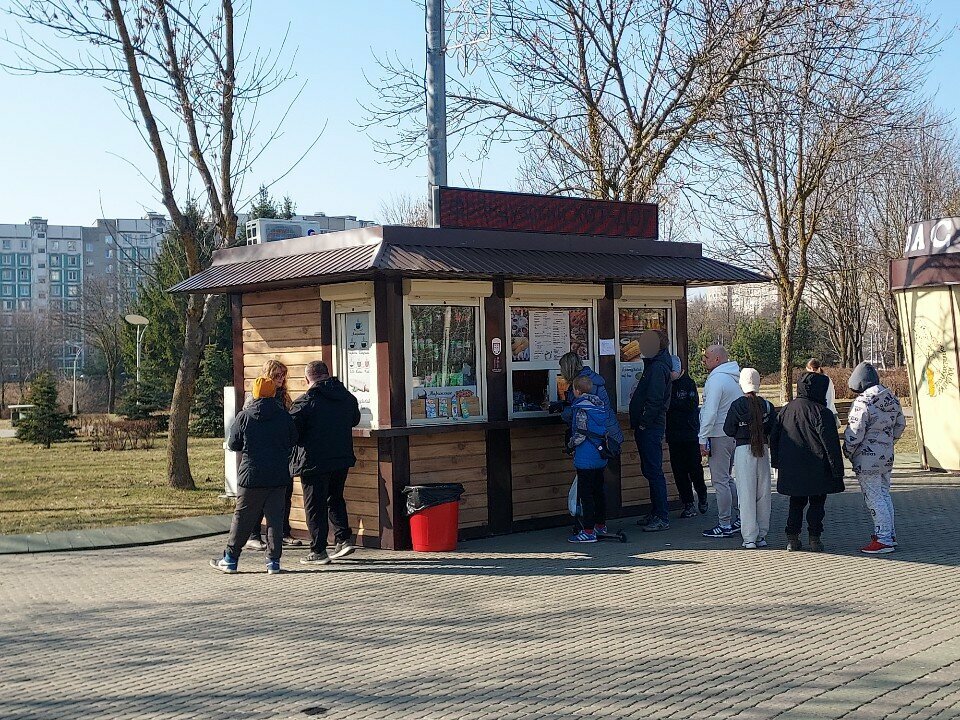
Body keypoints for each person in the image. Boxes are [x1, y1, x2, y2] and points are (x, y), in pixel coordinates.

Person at [211, 376, 297, 574]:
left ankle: (231, 559)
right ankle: (273, 562)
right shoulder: (284, 415)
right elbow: (293, 439)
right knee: (275, 519)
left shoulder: (245, 416)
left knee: (242, 518)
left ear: (255, 393)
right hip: (278, 475)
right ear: (273, 393)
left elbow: (233, 444)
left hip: (251, 475)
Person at [290, 360, 362, 565]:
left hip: (314, 460)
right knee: (335, 498)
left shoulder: (305, 401)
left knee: (315, 505)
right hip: (341, 457)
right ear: (327, 374)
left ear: (307, 379)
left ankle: (318, 550)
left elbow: (292, 431)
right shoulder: (346, 396)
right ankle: (343, 539)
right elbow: (354, 420)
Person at [770, 372, 845, 552]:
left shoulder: (787, 410)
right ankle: (814, 538)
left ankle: (792, 538)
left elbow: (774, 437)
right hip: (817, 467)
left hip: (792, 467)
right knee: (817, 504)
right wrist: (837, 470)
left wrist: (777, 462)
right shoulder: (821, 412)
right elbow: (830, 444)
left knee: (796, 503)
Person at [843, 362, 906, 555]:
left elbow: (855, 431)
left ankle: (883, 538)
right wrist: (889, 442)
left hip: (867, 458)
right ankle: (890, 534)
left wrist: (848, 449)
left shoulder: (863, 402)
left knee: (873, 497)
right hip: (886, 455)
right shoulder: (891, 398)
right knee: (884, 494)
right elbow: (900, 425)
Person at [244, 359, 301, 551]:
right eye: (277, 375)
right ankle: (253, 534)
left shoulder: (284, 396)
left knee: (285, 495)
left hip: (282, 454)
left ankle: (283, 532)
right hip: (260, 456)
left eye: (283, 375)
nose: (281, 379)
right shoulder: (255, 397)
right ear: (268, 375)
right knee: (258, 497)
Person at [723, 368, 776, 549]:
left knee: (745, 495)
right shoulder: (767, 405)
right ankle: (762, 534)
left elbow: (728, 430)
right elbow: (773, 429)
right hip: (763, 450)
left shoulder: (737, 405)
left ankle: (749, 537)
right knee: (763, 494)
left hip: (743, 450)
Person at [628, 330, 674, 532]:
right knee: (649, 470)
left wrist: (644, 422)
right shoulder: (655, 365)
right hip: (649, 425)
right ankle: (656, 512)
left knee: (653, 471)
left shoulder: (657, 368)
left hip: (651, 427)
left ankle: (661, 516)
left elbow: (655, 400)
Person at [698, 345, 743, 538]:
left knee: (720, 481)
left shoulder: (716, 380)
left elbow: (710, 411)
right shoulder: (735, 377)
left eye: (706, 357)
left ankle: (724, 524)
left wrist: (702, 437)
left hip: (718, 434)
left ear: (717, 360)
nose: (703, 360)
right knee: (728, 478)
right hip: (734, 434)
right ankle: (742, 517)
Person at [566, 375, 609, 543]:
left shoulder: (581, 408)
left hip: (586, 455)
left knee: (586, 494)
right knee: (599, 491)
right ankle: (600, 525)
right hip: (599, 454)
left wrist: (570, 445)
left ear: (577, 391)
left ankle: (588, 531)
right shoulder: (599, 405)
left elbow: (580, 434)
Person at [666, 355, 708, 518]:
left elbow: (690, 404)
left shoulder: (688, 383)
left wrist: (669, 404)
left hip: (690, 434)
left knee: (695, 468)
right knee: (679, 471)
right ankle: (688, 503)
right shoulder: (666, 384)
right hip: (673, 434)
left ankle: (702, 494)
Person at [558, 351, 624, 456]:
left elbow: (580, 410)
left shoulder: (583, 383)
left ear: (568, 369)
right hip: (607, 432)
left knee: (597, 469)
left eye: (562, 369)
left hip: (600, 437)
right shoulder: (588, 378)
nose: (561, 372)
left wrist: (563, 412)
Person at [806, 358, 840, 427]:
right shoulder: (826, 379)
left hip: (824, 414)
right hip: (829, 411)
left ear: (811, 369)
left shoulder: (823, 380)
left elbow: (828, 398)